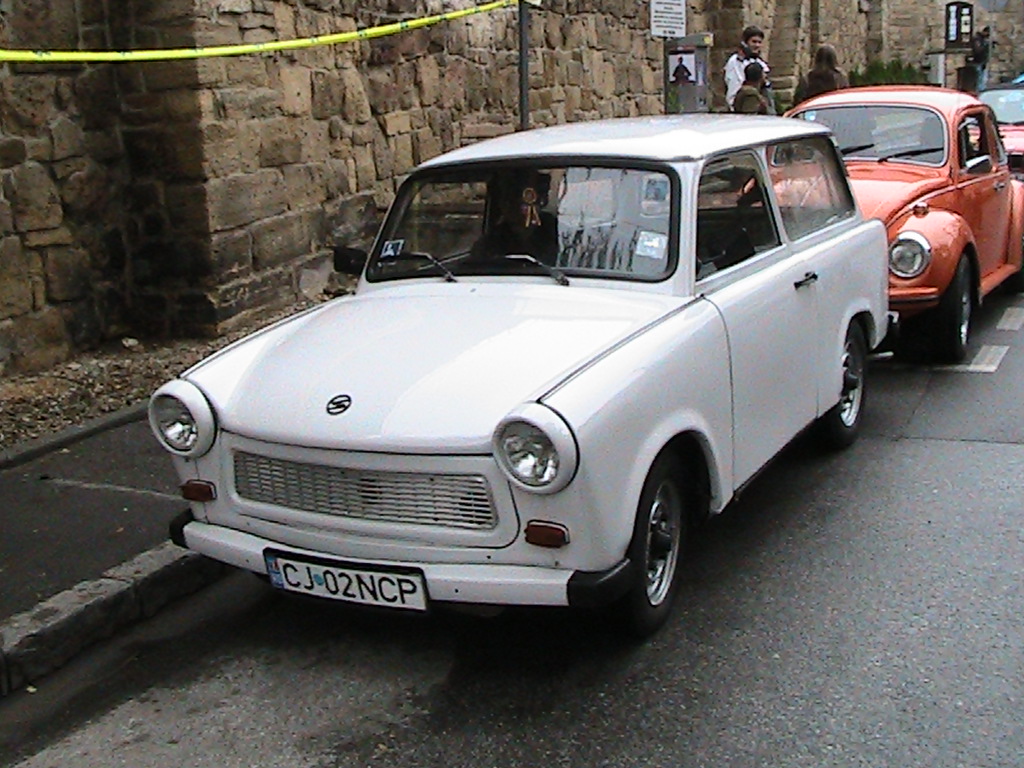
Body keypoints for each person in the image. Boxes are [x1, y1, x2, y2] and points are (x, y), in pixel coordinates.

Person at [471, 171, 558, 264]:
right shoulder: (490, 243)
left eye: (528, 199)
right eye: (508, 199)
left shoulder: (557, 231)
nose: (520, 207)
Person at [724, 25, 774, 114]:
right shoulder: (735, 61)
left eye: (759, 42)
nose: (757, 45)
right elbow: (734, 87)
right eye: (754, 42)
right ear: (745, 42)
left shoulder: (760, 62)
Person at [970, 26, 992, 91]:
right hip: (978, 61)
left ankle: (981, 89)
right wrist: (986, 45)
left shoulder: (982, 39)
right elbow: (978, 50)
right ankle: (979, 91)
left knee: (983, 78)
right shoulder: (977, 39)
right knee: (980, 78)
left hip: (983, 61)